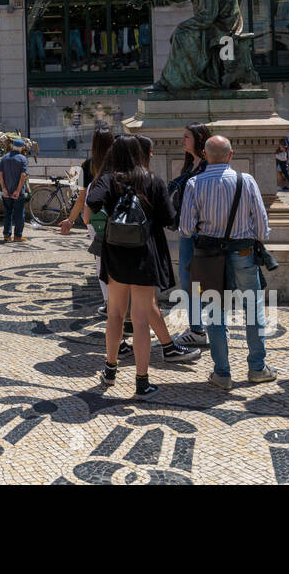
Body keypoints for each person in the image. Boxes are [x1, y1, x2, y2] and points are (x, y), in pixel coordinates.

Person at [86, 136, 192, 398]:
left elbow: (93, 203)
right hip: (145, 253)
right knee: (142, 320)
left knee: (115, 314)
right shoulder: (152, 180)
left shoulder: (108, 178)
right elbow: (170, 219)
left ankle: (110, 369)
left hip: (115, 253)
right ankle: (142, 382)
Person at [179, 135, 275, 390]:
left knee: (214, 313)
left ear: (206, 156)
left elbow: (186, 229)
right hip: (243, 253)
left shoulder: (194, 183)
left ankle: (222, 373)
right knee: (253, 310)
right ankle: (257, 368)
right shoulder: (247, 181)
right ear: (230, 155)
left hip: (209, 257)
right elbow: (263, 229)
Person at [59, 127, 115, 313]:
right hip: (118, 217)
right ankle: (123, 302)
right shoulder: (119, 162)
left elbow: (82, 197)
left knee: (100, 261)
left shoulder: (88, 165)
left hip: (96, 220)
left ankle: (108, 302)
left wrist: (70, 220)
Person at [168, 123, 212, 349]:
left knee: (196, 281)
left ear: (199, 139)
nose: (182, 141)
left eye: (186, 137)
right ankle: (198, 326)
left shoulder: (206, 167)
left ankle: (198, 329)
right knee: (188, 281)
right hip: (187, 232)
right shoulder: (191, 165)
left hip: (200, 232)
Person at [0, 139, 29, 244]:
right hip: (17, 192)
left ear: (12, 146)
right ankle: (18, 236)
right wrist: (18, 190)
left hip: (6, 192)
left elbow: (0, 174)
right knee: (19, 214)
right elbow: (23, 175)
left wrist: (4, 189)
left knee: (7, 213)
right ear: (21, 148)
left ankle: (6, 235)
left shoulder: (4, 158)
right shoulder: (22, 159)